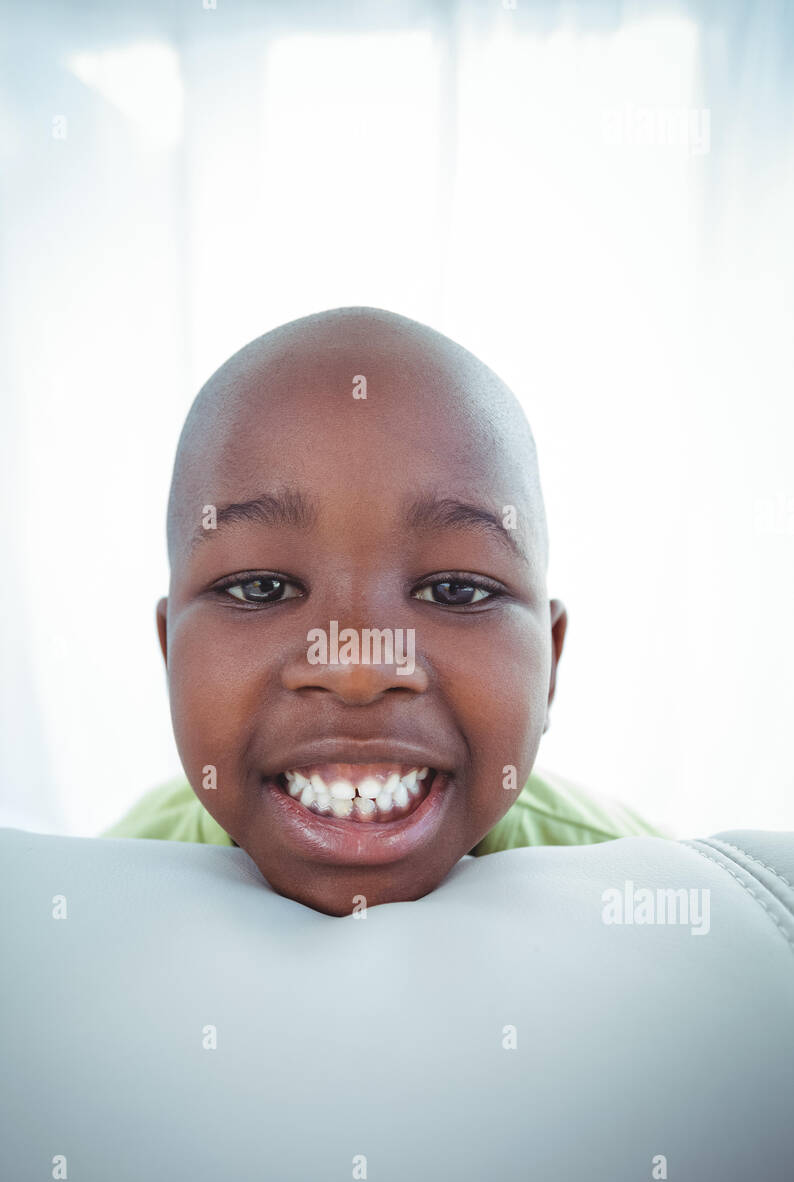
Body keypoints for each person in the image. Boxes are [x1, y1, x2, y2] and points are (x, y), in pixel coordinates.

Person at [105, 307, 661, 914]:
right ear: (169, 656)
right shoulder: (111, 896)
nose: (359, 669)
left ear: (551, 666)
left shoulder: (637, 893)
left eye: (456, 591)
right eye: (260, 588)